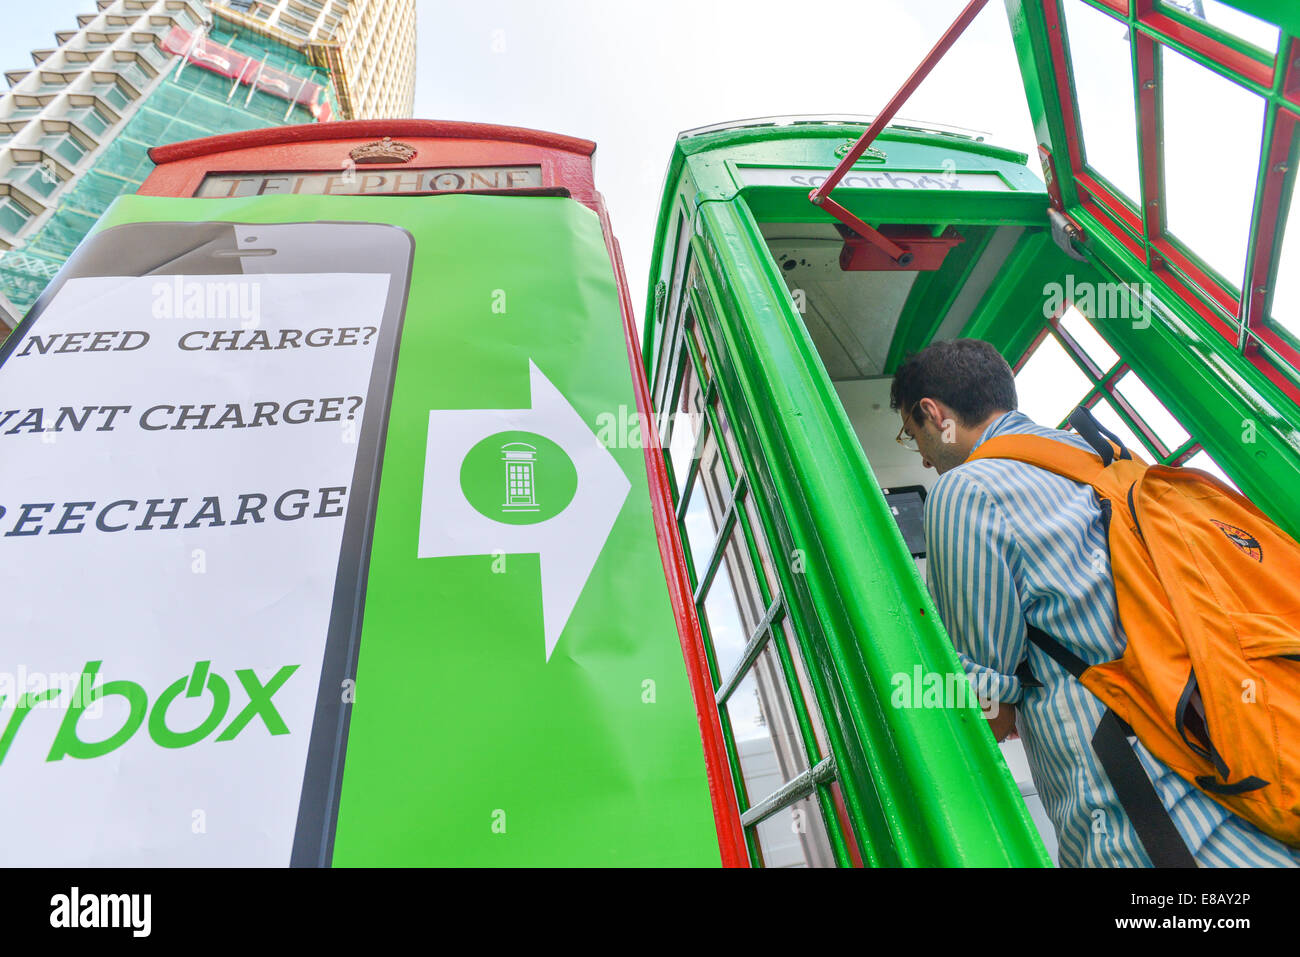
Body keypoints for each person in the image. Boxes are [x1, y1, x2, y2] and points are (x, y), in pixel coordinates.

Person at [891, 337, 1300, 868]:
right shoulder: (1102, 457)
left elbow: (987, 706)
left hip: (1145, 818)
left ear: (932, 412)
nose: (922, 454)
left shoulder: (966, 491)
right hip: (1249, 768)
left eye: (911, 434)